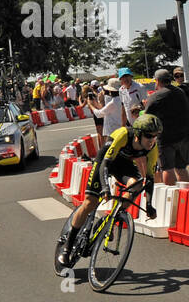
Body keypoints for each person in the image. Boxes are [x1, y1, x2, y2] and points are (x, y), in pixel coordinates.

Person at [56, 114, 163, 271]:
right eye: (148, 136)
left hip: (123, 165)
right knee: (89, 203)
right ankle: (68, 245)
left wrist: (149, 204)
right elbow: (105, 165)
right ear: (138, 134)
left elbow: (150, 179)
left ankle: (111, 218)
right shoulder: (123, 135)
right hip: (105, 162)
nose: (152, 140)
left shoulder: (152, 148)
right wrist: (105, 187)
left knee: (136, 185)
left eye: (155, 136)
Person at [143, 69, 189, 185]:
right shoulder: (180, 92)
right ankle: (185, 194)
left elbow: (146, 118)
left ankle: (171, 198)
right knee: (181, 168)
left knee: (167, 168)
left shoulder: (156, 96)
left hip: (166, 137)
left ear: (157, 81)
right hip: (184, 135)